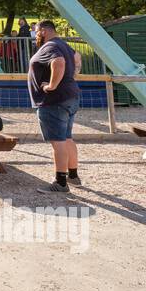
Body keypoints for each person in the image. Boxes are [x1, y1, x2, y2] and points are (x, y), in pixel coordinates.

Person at [27, 20, 83, 194]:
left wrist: (51, 85)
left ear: (44, 31)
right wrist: (72, 76)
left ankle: (60, 182)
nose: (36, 34)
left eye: (37, 31)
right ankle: (73, 176)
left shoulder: (50, 46)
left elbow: (58, 62)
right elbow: (77, 57)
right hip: (70, 96)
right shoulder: (63, 44)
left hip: (53, 100)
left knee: (58, 142)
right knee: (67, 138)